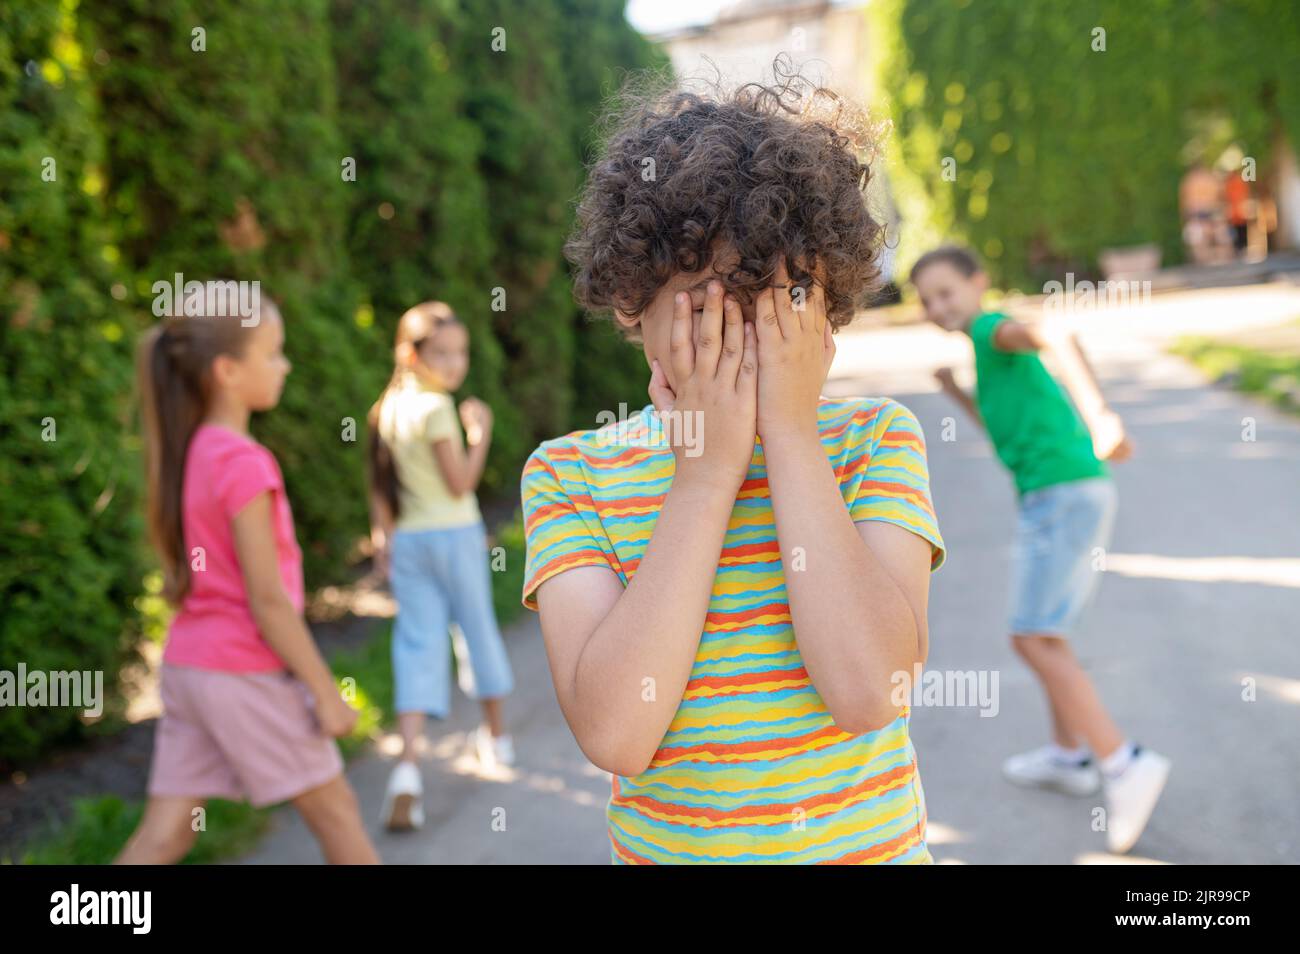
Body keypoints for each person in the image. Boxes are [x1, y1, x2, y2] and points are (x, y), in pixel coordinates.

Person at [521, 65, 946, 864]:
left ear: (828, 311)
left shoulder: (874, 443)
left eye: (773, 305)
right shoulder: (570, 476)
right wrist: (705, 475)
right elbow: (616, 733)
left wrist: (789, 435)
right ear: (629, 302)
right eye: (710, 307)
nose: (743, 345)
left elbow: (868, 694)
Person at [911, 246, 1170, 855]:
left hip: (1062, 494)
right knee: (1048, 633)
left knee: (1032, 637)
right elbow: (1005, 431)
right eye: (926, 300)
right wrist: (957, 395)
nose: (936, 308)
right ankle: (1069, 755)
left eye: (946, 292)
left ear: (979, 284)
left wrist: (1101, 413)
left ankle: (1123, 762)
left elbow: (1055, 329)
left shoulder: (989, 328)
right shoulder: (982, 349)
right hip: (1056, 492)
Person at [118, 288, 377, 864]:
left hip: (189, 668)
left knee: (166, 835)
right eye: (274, 353)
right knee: (336, 813)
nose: (285, 365)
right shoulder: (242, 462)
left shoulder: (194, 450)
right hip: (242, 673)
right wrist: (324, 692)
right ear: (228, 371)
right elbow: (268, 601)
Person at [369, 302, 515, 832]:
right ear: (411, 355)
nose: (455, 365)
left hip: (408, 541)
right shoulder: (437, 409)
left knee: (416, 644)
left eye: (461, 354)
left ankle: (407, 769)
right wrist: (480, 435)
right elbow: (461, 484)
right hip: (454, 535)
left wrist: (381, 534)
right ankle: (497, 740)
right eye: (443, 354)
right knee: (475, 628)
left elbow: (379, 483)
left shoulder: (385, 409)